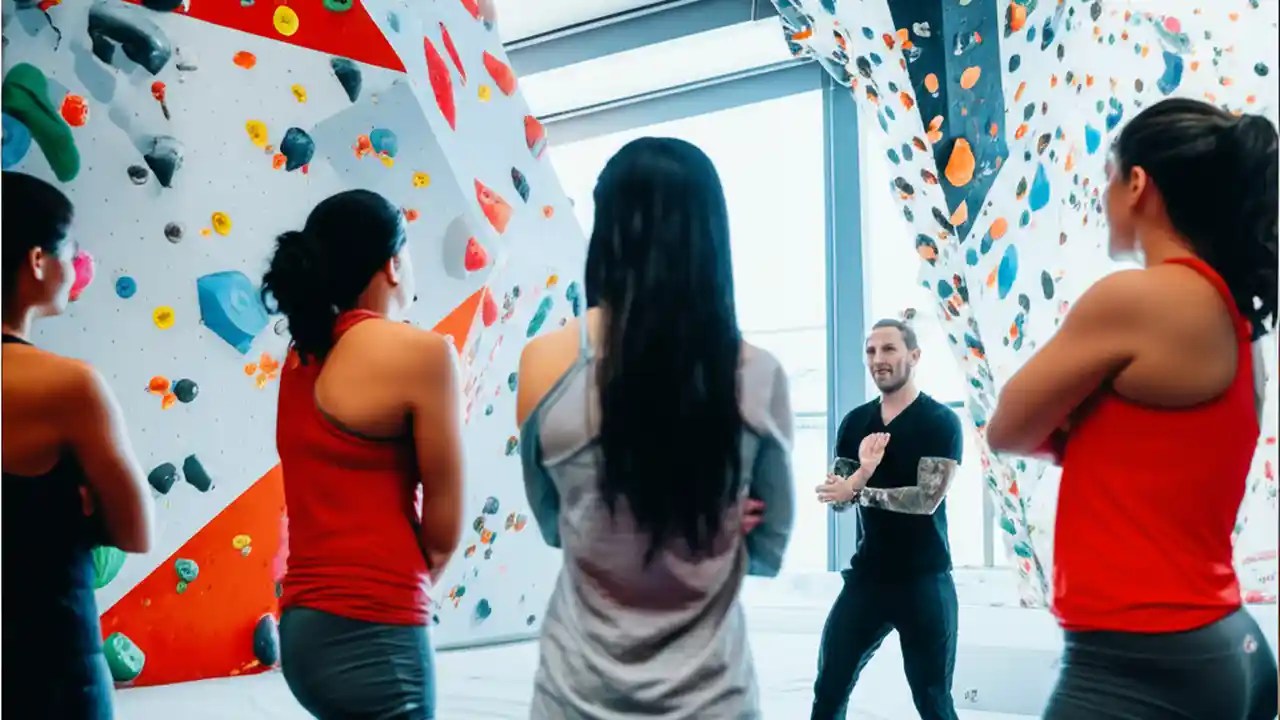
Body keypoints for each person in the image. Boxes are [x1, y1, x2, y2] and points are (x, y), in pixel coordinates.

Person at [986, 98, 1279, 720]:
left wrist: (1072, 419)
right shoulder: (1237, 322)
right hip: (1229, 644)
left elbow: (1009, 427)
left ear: (1138, 184)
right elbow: (1149, 449)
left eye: (1108, 179)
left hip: (1141, 664)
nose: (1103, 197)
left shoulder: (1138, 299)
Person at [516, 137, 795, 720]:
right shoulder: (759, 376)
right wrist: (719, 519)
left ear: (607, 231)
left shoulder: (545, 362)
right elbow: (768, 550)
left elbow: (554, 525)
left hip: (574, 697)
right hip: (713, 700)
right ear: (711, 235)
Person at [262, 189, 464, 720]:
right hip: (373, 627)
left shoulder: (300, 357)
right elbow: (443, 534)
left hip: (301, 627)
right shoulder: (423, 353)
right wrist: (391, 602)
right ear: (393, 265)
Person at [1, 171, 155, 719]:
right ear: (37, 261)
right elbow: (136, 530)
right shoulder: (69, 386)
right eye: (73, 249)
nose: (79, 265)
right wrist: (77, 510)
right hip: (49, 660)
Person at [812, 318, 964, 720]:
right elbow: (839, 499)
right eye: (871, 351)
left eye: (889, 349)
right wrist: (861, 474)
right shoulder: (855, 423)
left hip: (924, 582)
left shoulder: (940, 422)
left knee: (933, 701)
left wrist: (858, 489)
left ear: (914, 356)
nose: (878, 359)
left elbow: (925, 499)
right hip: (869, 579)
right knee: (829, 688)